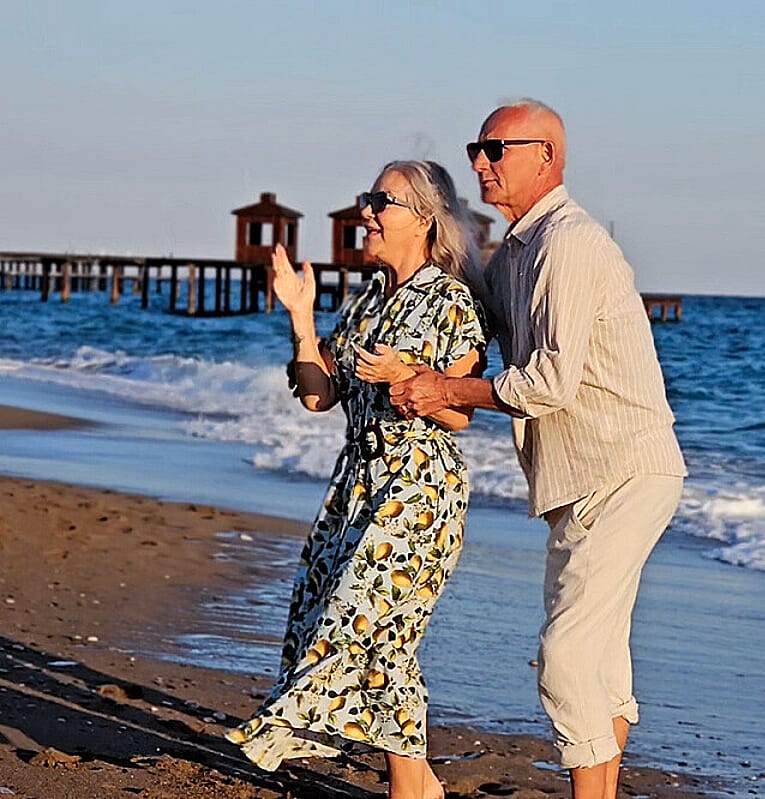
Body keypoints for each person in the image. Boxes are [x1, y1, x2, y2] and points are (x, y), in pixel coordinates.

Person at [389, 100, 687, 799]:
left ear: (546, 155)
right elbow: (475, 314)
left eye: (496, 149)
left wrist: (446, 392)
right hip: (578, 477)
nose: (480, 162)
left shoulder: (571, 243)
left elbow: (548, 382)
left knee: (566, 656)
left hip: (624, 470)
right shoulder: (519, 250)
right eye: (476, 149)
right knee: (600, 660)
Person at [226, 160, 487, 799]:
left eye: (382, 201)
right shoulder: (370, 297)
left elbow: (459, 414)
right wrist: (301, 317)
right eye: (367, 199)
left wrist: (407, 373)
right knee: (359, 631)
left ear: (425, 217)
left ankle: (411, 792)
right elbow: (321, 397)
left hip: (420, 488)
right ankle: (422, 788)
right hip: (357, 484)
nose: (367, 213)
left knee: (371, 631)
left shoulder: (450, 299)